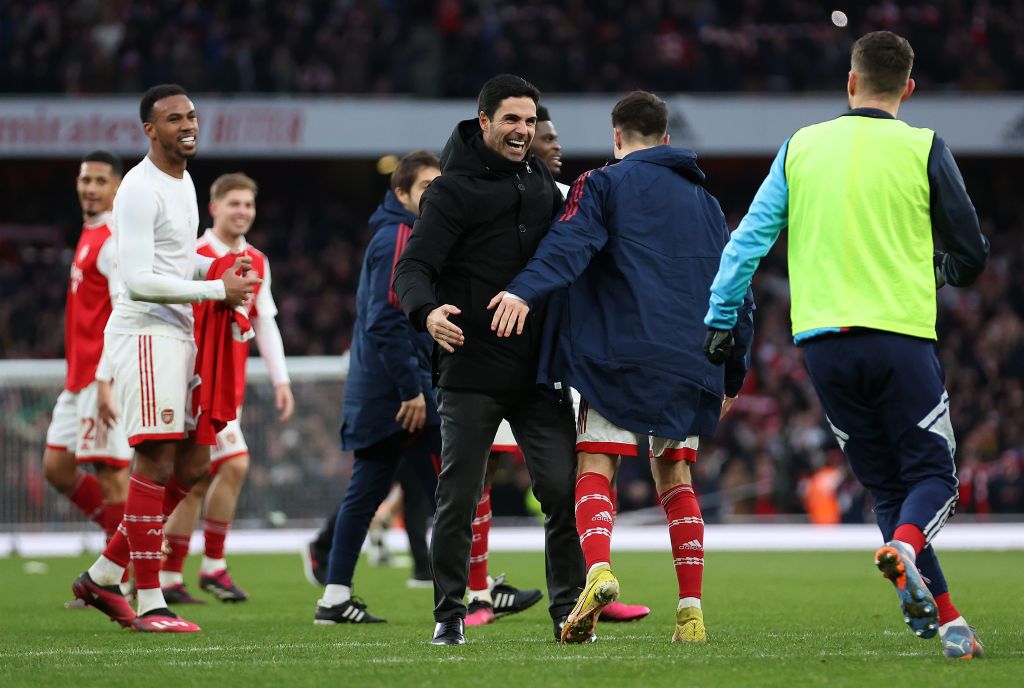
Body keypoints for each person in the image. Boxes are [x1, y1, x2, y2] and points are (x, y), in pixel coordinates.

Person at [703, 31, 989, 659]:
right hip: (900, 339)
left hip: (824, 347)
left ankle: (950, 623)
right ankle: (907, 549)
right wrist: (943, 273)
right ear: (908, 89)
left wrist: (721, 320)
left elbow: (747, 240)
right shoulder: (924, 147)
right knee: (935, 476)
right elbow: (972, 253)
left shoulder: (801, 146)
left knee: (887, 487)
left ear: (850, 82)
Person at [489, 90, 754, 643]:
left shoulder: (601, 184)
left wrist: (523, 291)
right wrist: (734, 371)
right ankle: (690, 612)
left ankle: (600, 571)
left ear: (616, 137)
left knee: (597, 464)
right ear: (666, 138)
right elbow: (736, 288)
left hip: (616, 356)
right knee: (675, 477)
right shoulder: (706, 204)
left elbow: (568, 245)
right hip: (689, 359)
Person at [392, 75, 585, 646]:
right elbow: (411, 269)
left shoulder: (542, 185)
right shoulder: (450, 192)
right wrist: (426, 313)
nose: (523, 131)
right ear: (484, 121)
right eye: (512, 121)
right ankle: (449, 614)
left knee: (562, 489)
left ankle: (568, 613)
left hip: (535, 371)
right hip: (470, 367)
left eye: (530, 121)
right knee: (457, 493)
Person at [70, 83, 260, 633]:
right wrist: (212, 292)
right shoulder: (137, 189)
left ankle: (105, 573)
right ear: (150, 130)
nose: (188, 125)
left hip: (179, 333)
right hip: (146, 334)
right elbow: (135, 280)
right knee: (154, 460)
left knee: (196, 464)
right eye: (174, 119)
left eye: (192, 115)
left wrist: (215, 272)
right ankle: (150, 599)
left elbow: (175, 264)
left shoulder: (185, 182)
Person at [474, 104, 649, 628]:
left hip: (561, 358)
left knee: (584, 472)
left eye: (552, 137)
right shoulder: (493, 196)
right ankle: (478, 593)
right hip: (501, 353)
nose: (553, 146)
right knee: (483, 471)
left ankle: (589, 581)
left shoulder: (576, 197)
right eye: (543, 137)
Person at [313, 150, 444, 625]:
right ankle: (478, 588)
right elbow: (388, 319)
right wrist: (411, 390)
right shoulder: (401, 235)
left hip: (383, 387)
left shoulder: (403, 233)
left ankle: (333, 595)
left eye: (439, 185)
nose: (435, 194)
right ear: (401, 194)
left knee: (369, 491)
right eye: (426, 187)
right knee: (461, 477)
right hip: (396, 394)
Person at [159, 173, 294, 604]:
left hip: (225, 386)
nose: (242, 212)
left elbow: (263, 320)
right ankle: (203, 566)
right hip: (190, 383)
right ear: (214, 207)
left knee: (195, 479)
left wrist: (281, 380)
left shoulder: (257, 260)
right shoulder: (192, 255)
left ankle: (168, 575)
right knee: (230, 464)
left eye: (249, 205)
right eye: (234, 203)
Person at [43, 152, 131, 564]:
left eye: (100, 181)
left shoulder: (113, 241)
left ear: (116, 187)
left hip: (100, 378)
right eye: (85, 180)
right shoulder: (89, 233)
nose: (91, 188)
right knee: (57, 467)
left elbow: (120, 310)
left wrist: (106, 380)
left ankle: (120, 571)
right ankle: (124, 548)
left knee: (112, 473)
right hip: (77, 378)